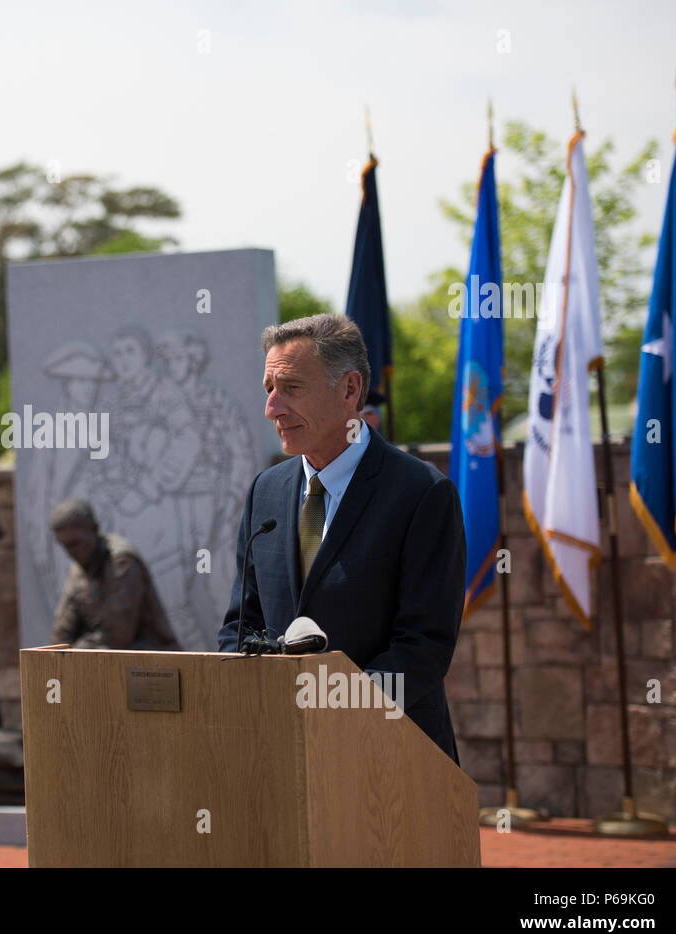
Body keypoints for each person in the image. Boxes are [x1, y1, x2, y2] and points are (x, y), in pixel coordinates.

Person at [215, 314, 466, 763]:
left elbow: (423, 646)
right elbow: (240, 627)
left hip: (391, 760)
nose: (272, 408)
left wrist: (332, 713)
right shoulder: (265, 491)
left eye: (291, 388)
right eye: (269, 389)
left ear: (350, 390)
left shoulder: (421, 493)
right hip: (281, 752)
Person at [49, 498, 181, 651]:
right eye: (64, 546)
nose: (70, 553)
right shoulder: (78, 570)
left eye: (75, 544)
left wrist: (74, 653)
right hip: (107, 659)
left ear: (93, 529)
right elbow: (62, 631)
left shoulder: (121, 561)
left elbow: (117, 636)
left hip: (152, 663)